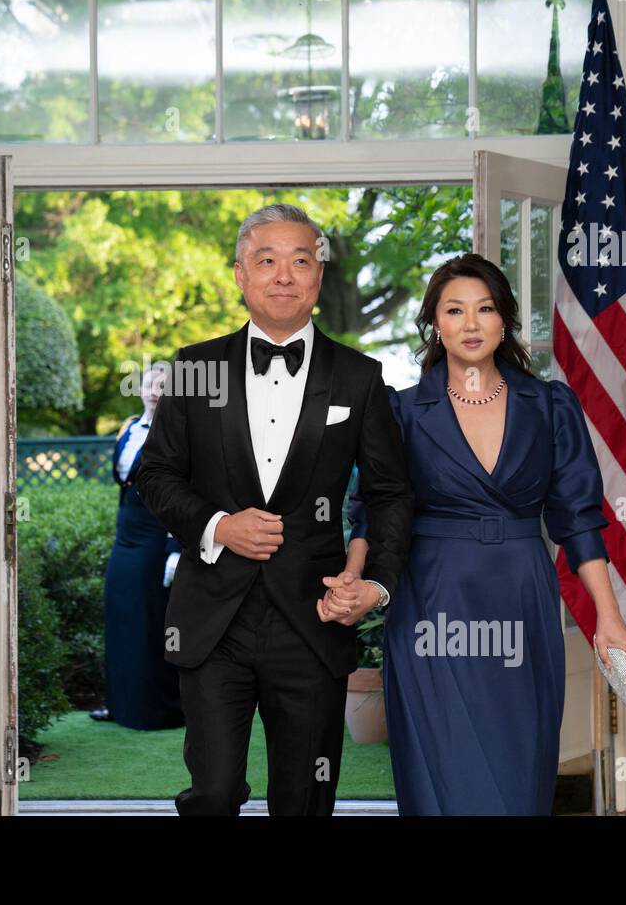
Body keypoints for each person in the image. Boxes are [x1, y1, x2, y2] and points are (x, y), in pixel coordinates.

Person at [134, 203, 414, 816]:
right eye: (266, 260)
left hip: (314, 619)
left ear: (318, 275)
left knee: (306, 797)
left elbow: (390, 493)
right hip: (212, 620)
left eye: (300, 260)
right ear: (240, 274)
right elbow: (151, 475)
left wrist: (377, 584)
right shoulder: (193, 367)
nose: (283, 275)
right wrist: (218, 526)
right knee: (211, 793)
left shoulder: (361, 378)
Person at [344, 253, 626, 815]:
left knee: (518, 761)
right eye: (455, 310)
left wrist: (609, 617)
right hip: (433, 601)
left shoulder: (551, 406)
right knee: (442, 762)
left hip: (521, 596)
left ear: (504, 319)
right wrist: (355, 580)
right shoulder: (401, 412)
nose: (472, 323)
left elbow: (578, 518)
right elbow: (372, 512)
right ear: (436, 322)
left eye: (485, 309)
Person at [92, 367, 185, 730]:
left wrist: (176, 549)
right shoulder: (129, 427)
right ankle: (118, 704)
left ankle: (156, 710)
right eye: (149, 385)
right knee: (120, 617)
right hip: (125, 536)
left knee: (150, 623)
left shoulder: (179, 436)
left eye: (163, 387)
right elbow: (122, 484)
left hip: (155, 537)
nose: (154, 392)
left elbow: (182, 498)